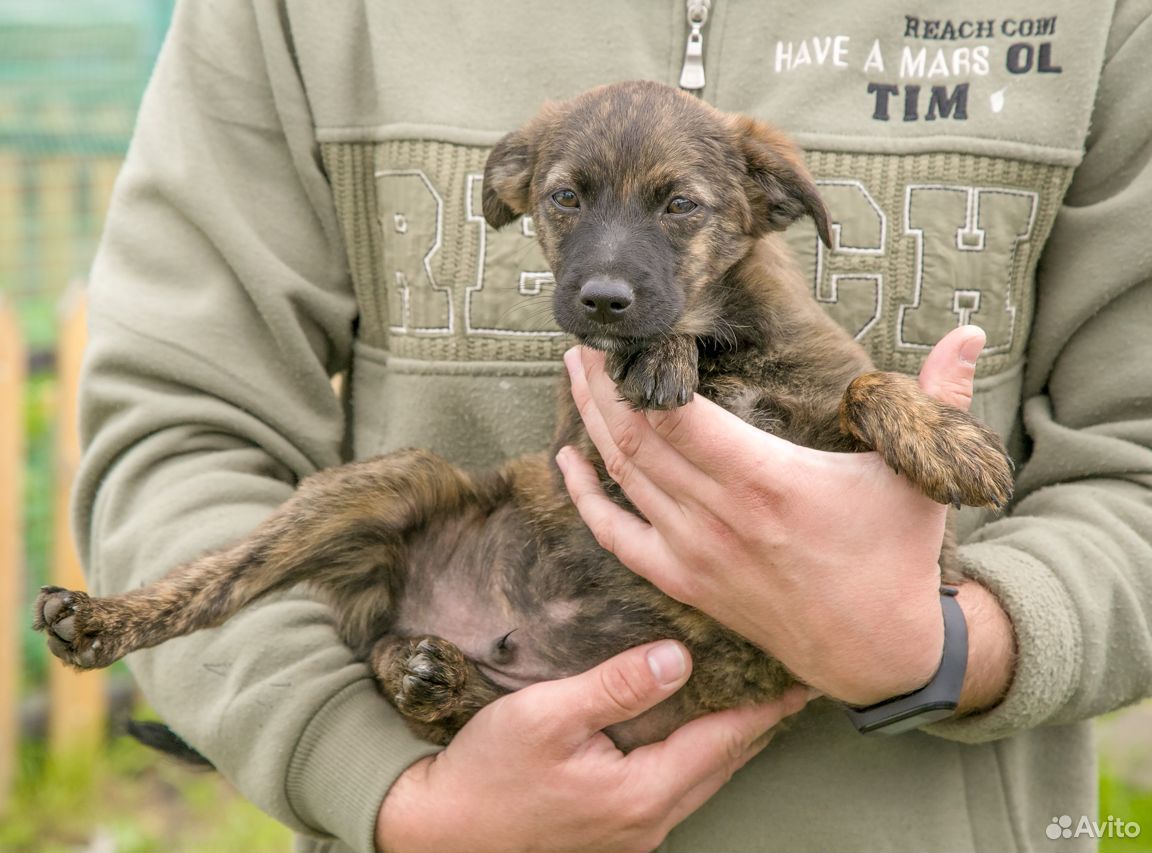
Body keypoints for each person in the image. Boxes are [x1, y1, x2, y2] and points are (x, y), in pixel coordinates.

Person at [76, 1, 1152, 850]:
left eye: (673, 208)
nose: (604, 269)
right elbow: (179, 416)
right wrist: (380, 782)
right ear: (518, 191)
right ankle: (395, 681)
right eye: (566, 203)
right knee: (391, 501)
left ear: (766, 204)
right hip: (482, 626)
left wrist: (945, 641)